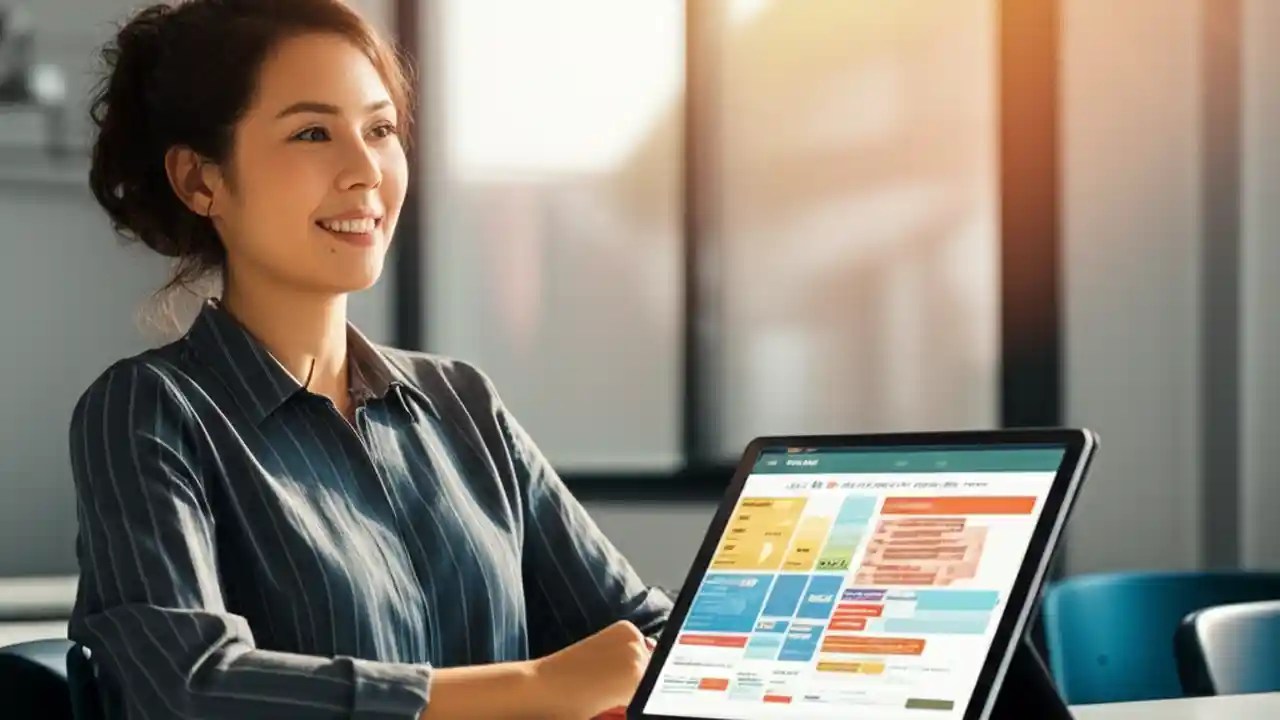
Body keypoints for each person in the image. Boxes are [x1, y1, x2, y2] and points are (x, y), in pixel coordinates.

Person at [69, 1, 672, 718]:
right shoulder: (150, 411)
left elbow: (638, 633)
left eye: (381, 130)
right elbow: (185, 686)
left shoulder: (461, 404)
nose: (365, 171)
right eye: (313, 132)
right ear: (203, 182)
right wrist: (532, 690)